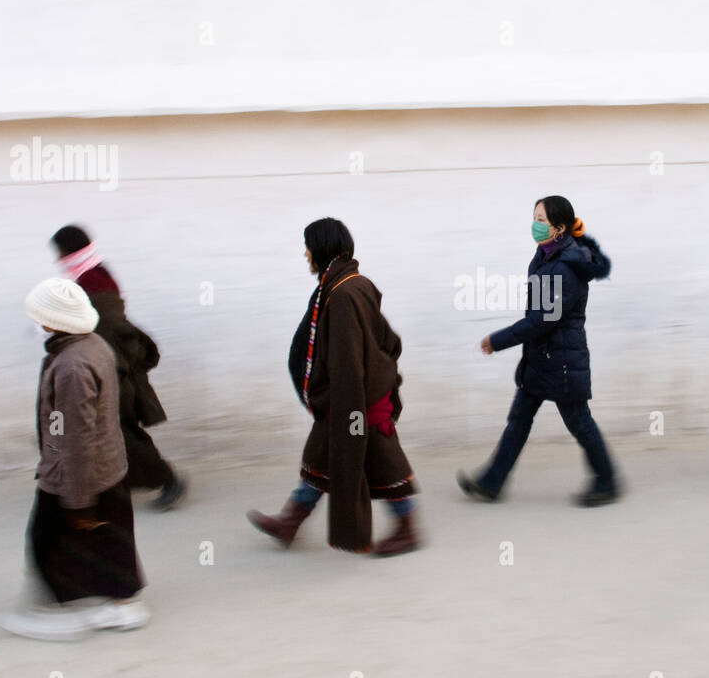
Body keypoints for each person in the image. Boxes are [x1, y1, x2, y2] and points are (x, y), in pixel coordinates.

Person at [247, 218, 419, 556]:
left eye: (309, 246)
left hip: (357, 401)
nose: (305, 254)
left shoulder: (342, 295)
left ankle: (407, 529)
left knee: (381, 463)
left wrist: (349, 409)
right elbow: (387, 338)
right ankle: (289, 521)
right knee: (323, 456)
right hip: (354, 396)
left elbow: (347, 362)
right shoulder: (353, 283)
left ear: (321, 249)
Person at [0, 278, 149, 641]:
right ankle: (124, 606)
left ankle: (50, 613)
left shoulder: (71, 366)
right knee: (111, 537)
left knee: (45, 540)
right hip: (108, 465)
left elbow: (74, 436)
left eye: (39, 317)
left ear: (53, 320)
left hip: (75, 473)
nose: (36, 323)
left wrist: (77, 499)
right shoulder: (92, 345)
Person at [457, 196, 619, 506]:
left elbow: (541, 320)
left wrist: (498, 340)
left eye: (541, 220)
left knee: (579, 423)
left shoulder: (564, 269)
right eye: (534, 217)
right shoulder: (546, 256)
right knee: (518, 419)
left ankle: (607, 480)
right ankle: (492, 481)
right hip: (542, 358)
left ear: (559, 229)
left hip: (562, 362)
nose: (535, 224)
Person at [50, 225, 185, 510]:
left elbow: (105, 326)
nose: (58, 259)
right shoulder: (91, 275)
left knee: (118, 429)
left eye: (60, 253)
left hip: (110, 365)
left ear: (69, 251)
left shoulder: (93, 281)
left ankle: (168, 480)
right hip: (105, 362)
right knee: (109, 428)